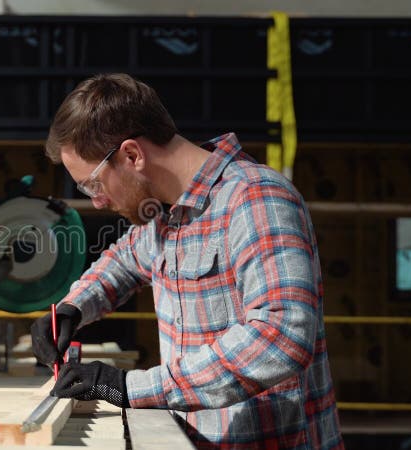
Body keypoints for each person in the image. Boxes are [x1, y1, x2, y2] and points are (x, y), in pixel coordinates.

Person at [31, 73, 343, 449]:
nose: (96, 201)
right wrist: (72, 308)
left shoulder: (254, 199)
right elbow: (123, 261)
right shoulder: (164, 217)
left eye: (93, 184)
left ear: (132, 155)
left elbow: (281, 337)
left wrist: (129, 387)